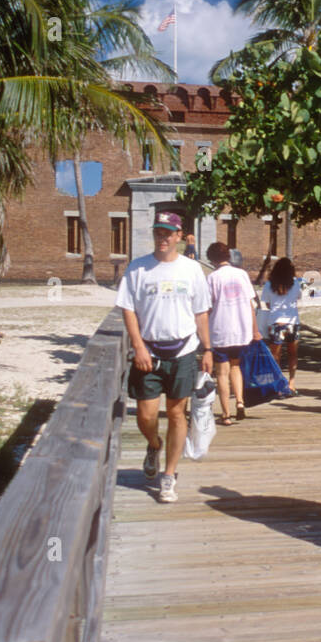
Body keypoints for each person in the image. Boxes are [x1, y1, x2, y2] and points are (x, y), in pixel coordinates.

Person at [116, 210, 213, 504]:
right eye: (159, 232)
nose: (163, 238)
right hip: (150, 352)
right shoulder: (138, 268)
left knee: (175, 413)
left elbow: (201, 312)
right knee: (145, 416)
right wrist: (138, 346)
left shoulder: (192, 270)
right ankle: (154, 445)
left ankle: (168, 476)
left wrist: (207, 349)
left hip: (183, 350)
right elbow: (127, 308)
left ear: (179, 237)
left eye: (169, 233)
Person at [206, 241, 261, 425]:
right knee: (236, 367)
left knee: (222, 373)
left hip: (220, 330)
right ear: (228, 256)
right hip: (240, 330)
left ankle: (226, 414)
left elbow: (208, 307)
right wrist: (255, 330)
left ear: (212, 259)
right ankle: (239, 401)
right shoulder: (242, 275)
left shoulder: (213, 278)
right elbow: (250, 304)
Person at [261, 257, 302, 393]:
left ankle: (278, 384)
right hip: (292, 323)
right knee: (292, 354)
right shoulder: (295, 283)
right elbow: (298, 298)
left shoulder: (268, 285)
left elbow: (267, 304)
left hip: (276, 323)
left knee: (275, 356)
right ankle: (292, 382)